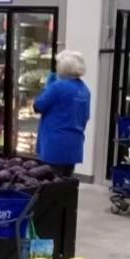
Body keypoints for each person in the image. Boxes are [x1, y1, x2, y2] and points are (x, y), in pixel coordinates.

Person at [33, 49, 92, 177]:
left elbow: (38, 106)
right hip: (74, 145)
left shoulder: (57, 87)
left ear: (64, 67)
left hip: (54, 147)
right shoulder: (85, 90)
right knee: (65, 188)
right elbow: (86, 117)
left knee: (50, 186)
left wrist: (46, 88)